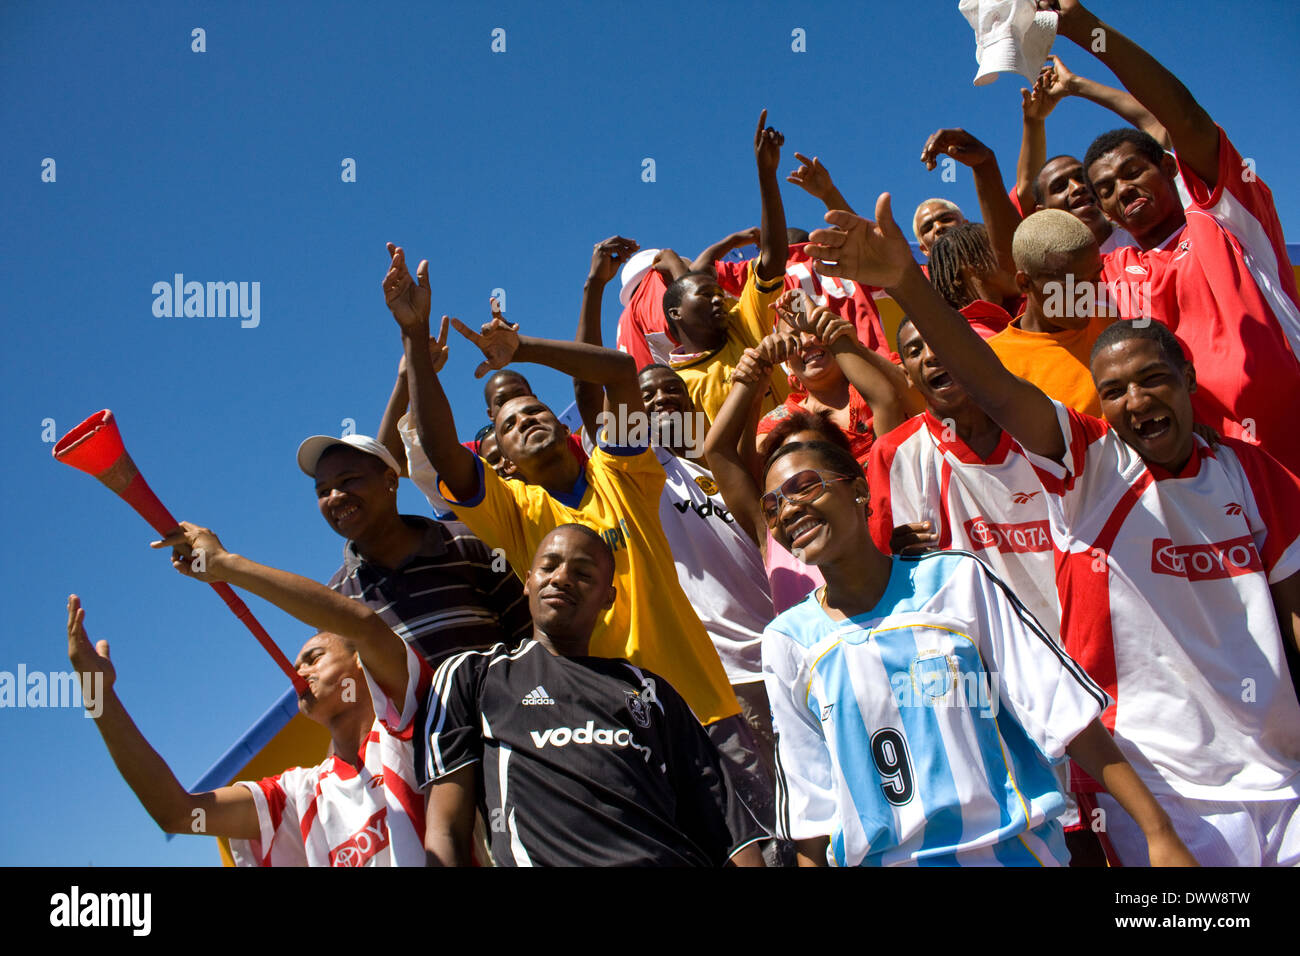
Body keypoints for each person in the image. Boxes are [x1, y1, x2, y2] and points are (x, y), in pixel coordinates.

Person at [805, 190, 1300, 865]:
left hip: (1284, 772)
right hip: (1166, 791)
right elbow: (996, 384)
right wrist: (907, 285)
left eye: (1153, 379)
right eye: (1115, 390)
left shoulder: (1253, 472)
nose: (1136, 401)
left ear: (1187, 376)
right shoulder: (1091, 466)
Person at [759, 438, 1196, 867]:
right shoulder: (788, 643)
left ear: (857, 488)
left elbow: (1062, 709)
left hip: (1014, 854)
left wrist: (1159, 832)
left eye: (804, 485)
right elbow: (811, 801)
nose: (790, 508)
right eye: (773, 506)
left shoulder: (956, 581)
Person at [383, 242, 741, 731]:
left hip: (709, 712)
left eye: (535, 410)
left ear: (563, 426)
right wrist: (413, 336)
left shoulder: (624, 472)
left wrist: (523, 348)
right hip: (616, 732)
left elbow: (617, 372)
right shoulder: (512, 512)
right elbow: (441, 449)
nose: (526, 419)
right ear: (501, 457)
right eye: (509, 424)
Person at [1018, 0, 1300, 475]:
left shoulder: (1227, 218)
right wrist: (1032, 123)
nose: (1121, 189)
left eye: (1133, 172)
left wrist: (1087, 34)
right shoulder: (1107, 277)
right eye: (1104, 188)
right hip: (1212, 490)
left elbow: (1181, 122)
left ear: (1169, 168)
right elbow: (1033, 235)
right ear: (1101, 210)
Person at [68, 521, 433, 867]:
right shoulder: (296, 795)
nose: (298, 671)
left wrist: (227, 565)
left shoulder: (408, 717)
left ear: (359, 662)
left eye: (314, 657)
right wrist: (100, 699)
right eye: (297, 663)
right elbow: (176, 813)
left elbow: (366, 627)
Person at [420, 524, 763, 866]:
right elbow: (446, 830)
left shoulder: (651, 692)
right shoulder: (475, 677)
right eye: (548, 566)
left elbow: (730, 834)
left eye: (583, 573)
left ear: (608, 598)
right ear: (527, 581)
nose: (562, 579)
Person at [298, 431, 532, 666]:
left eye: (347, 480)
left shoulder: (469, 542)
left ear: (391, 480)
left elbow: (529, 637)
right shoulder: (336, 600)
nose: (335, 497)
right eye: (323, 491)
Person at [665, 111, 790, 426]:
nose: (719, 299)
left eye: (719, 292)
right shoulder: (677, 385)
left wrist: (767, 174)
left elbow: (773, 260)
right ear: (675, 313)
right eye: (706, 295)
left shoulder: (742, 323)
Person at [1013, 54, 1167, 252]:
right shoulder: (1058, 277)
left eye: (1082, 177)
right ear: (1043, 213)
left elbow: (1157, 126)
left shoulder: (1144, 233)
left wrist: (1075, 85)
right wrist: (1033, 121)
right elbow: (1026, 192)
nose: (1077, 187)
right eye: (1060, 187)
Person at [756, 292, 909, 466]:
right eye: (795, 339)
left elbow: (919, 398)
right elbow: (755, 472)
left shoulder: (881, 373)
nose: (806, 342)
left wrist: (853, 347)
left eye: (813, 330)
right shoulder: (779, 421)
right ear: (788, 366)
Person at [987, 209, 1112, 416]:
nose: (1089, 295)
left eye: (1096, 279)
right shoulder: (994, 362)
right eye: (1073, 287)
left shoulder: (1110, 323)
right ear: (1025, 283)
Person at [927, 223, 1021, 339]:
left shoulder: (1033, 306)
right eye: (1001, 250)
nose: (1014, 258)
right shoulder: (963, 340)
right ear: (974, 263)